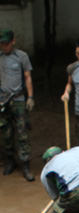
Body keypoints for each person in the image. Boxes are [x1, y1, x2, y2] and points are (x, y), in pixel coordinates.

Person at [0, 28, 34, 181]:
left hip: (18, 99)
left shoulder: (22, 56)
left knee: (22, 133)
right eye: (1, 44)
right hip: (2, 100)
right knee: (6, 133)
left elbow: (27, 77)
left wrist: (30, 97)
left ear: (13, 42)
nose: (4, 46)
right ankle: (10, 161)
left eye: (6, 43)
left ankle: (25, 164)